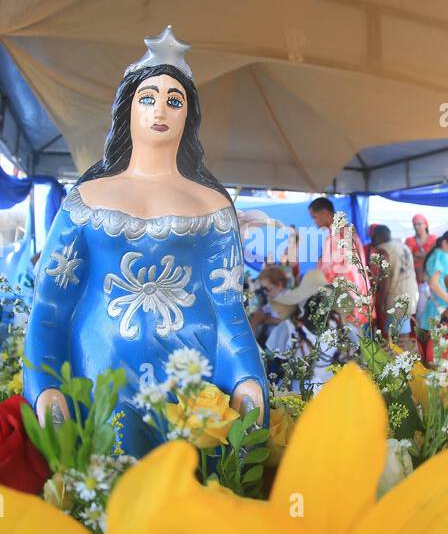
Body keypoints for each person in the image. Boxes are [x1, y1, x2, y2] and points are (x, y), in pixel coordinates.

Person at [24, 27, 267, 456]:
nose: (161, 110)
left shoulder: (211, 206)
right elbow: (50, 306)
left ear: (188, 116)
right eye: (148, 97)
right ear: (127, 110)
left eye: (175, 101)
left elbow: (229, 309)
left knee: (183, 497)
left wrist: (247, 378)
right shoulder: (87, 200)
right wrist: (44, 384)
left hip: (194, 385)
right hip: (98, 376)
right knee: (107, 500)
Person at [307, 196, 370, 325]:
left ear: (325, 213)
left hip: (346, 296)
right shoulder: (345, 231)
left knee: (348, 338)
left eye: (314, 217)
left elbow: (327, 270)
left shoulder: (337, 235)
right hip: (356, 294)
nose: (314, 222)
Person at [369, 224, 418, 341]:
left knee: (394, 338)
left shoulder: (383, 250)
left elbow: (386, 279)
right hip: (410, 292)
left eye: (372, 237)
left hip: (396, 295)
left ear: (378, 237)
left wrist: (380, 301)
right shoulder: (404, 246)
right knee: (402, 331)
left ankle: (399, 357)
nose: (372, 241)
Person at [419, 230, 448, 333]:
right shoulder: (441, 256)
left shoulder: (437, 255)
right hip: (440, 306)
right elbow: (433, 284)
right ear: (444, 243)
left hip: (437, 304)